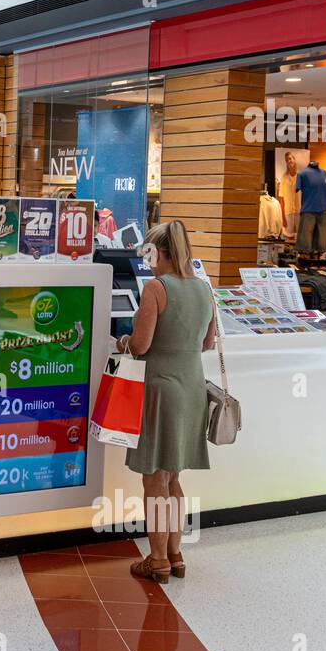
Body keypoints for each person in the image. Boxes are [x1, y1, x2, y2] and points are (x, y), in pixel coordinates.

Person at [114, 221, 216, 584]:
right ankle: (176, 554)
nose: (147, 262)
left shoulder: (157, 289)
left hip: (161, 389)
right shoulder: (204, 289)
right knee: (173, 479)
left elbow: (141, 345)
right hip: (191, 388)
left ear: (160, 253)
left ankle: (156, 560)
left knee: (154, 480)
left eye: (149, 254)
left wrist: (122, 342)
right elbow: (208, 343)